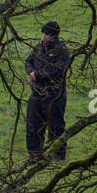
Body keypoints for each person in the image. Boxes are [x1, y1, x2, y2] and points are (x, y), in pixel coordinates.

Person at [25, 20, 70, 162]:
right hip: (36, 93)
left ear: (51, 35)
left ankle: (57, 156)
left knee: (56, 126)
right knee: (33, 125)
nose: (43, 36)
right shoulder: (38, 48)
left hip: (54, 94)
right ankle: (34, 154)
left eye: (45, 33)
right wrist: (31, 71)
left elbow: (58, 69)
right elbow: (28, 61)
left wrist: (38, 74)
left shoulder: (61, 50)